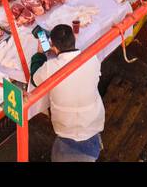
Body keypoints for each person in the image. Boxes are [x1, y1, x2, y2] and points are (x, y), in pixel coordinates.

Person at [31, 23, 105, 161]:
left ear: (53, 46)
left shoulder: (50, 68)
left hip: (65, 128)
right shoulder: (92, 58)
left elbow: (35, 78)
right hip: (93, 122)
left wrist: (39, 54)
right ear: (74, 40)